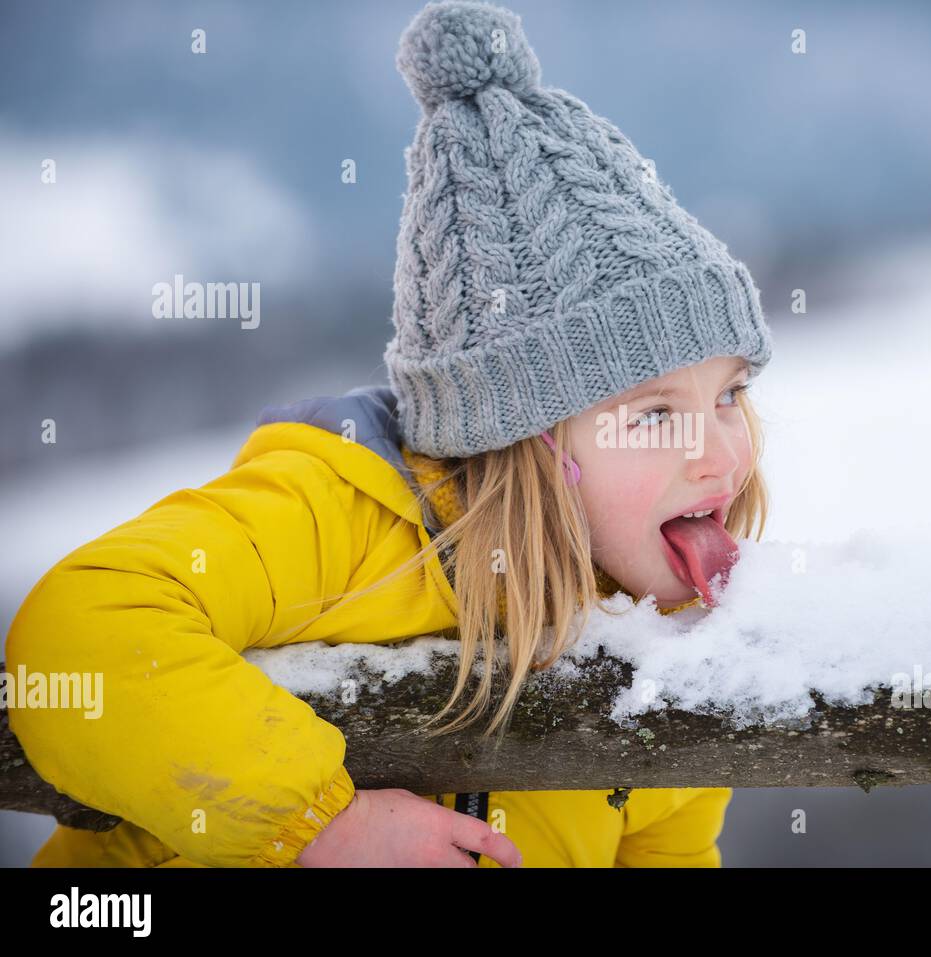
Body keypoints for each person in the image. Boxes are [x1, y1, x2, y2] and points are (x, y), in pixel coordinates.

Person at [4, 0, 775, 868]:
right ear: (521, 436)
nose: (721, 454)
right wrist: (318, 825)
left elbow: (668, 850)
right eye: (656, 414)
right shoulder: (336, 520)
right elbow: (81, 634)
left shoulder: (668, 626)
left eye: (731, 394)